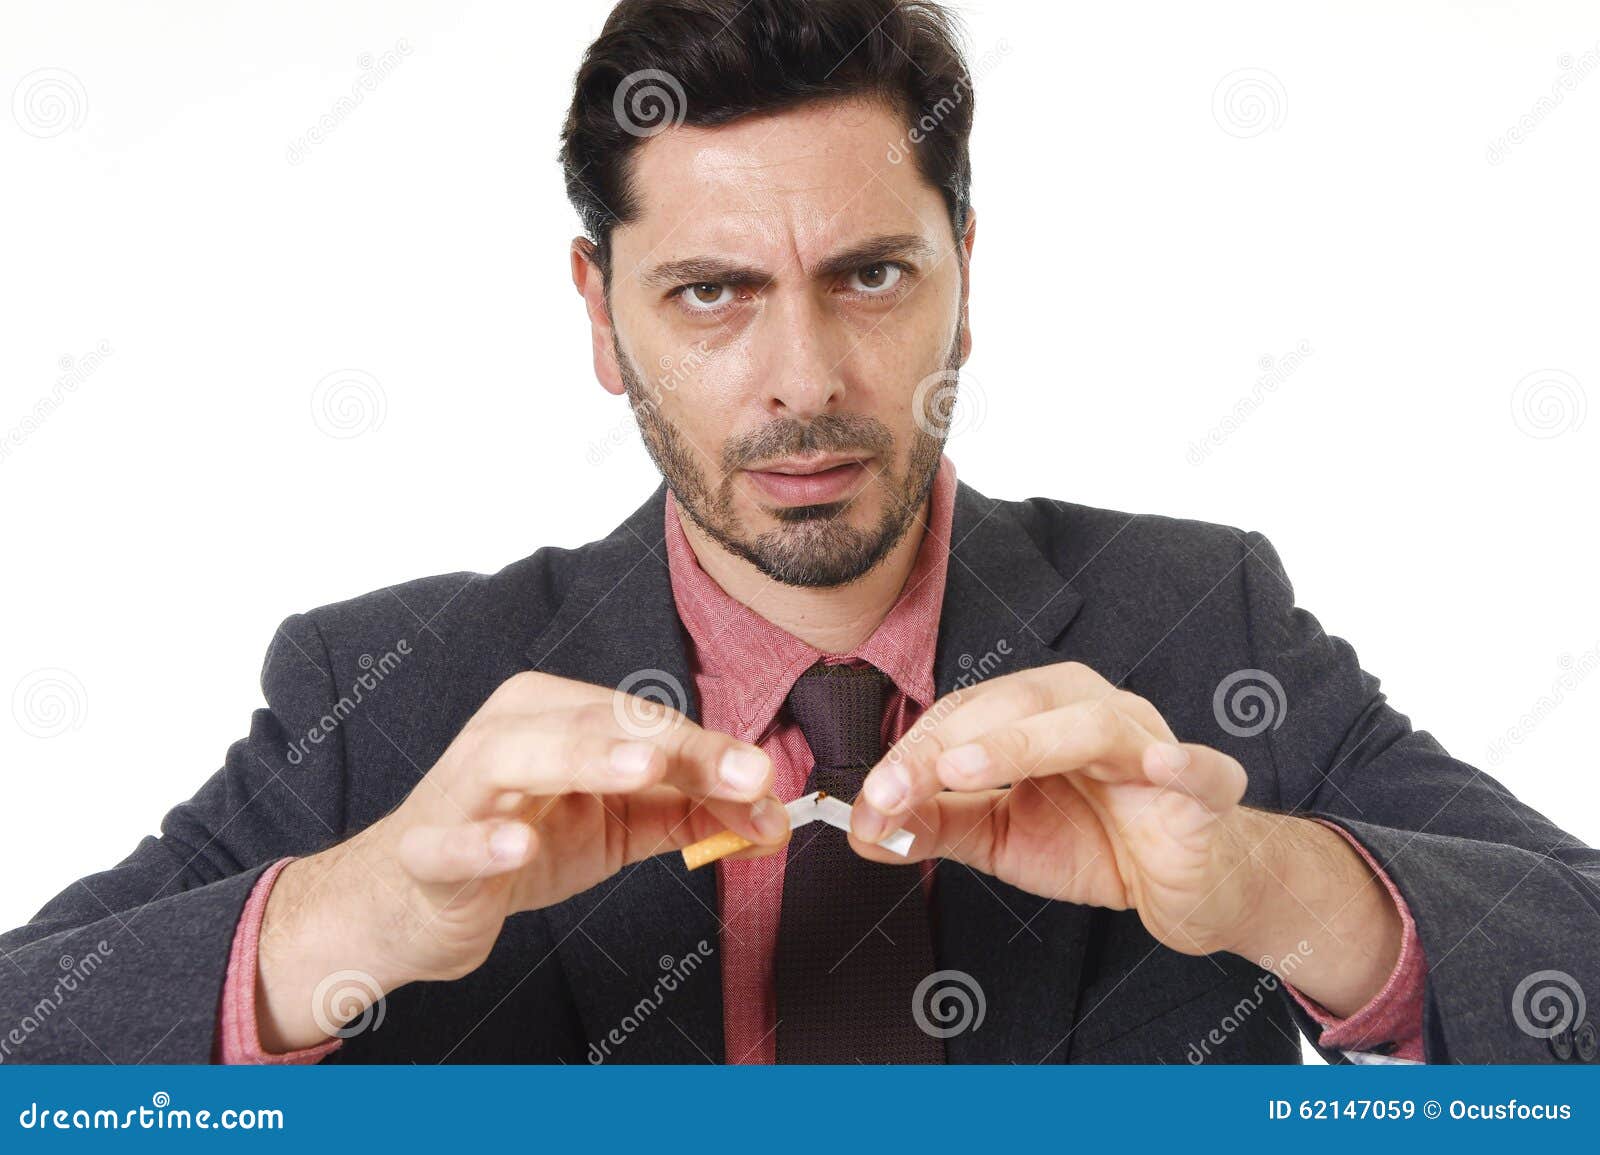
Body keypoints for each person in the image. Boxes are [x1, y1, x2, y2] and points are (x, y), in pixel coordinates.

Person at [3, 0, 1596, 1066]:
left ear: (965, 271)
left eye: (871, 276)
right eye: (712, 293)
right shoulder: (388, 687)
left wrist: (1266, 886)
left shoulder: (1205, 623)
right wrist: (347, 921)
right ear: (601, 315)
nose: (806, 383)